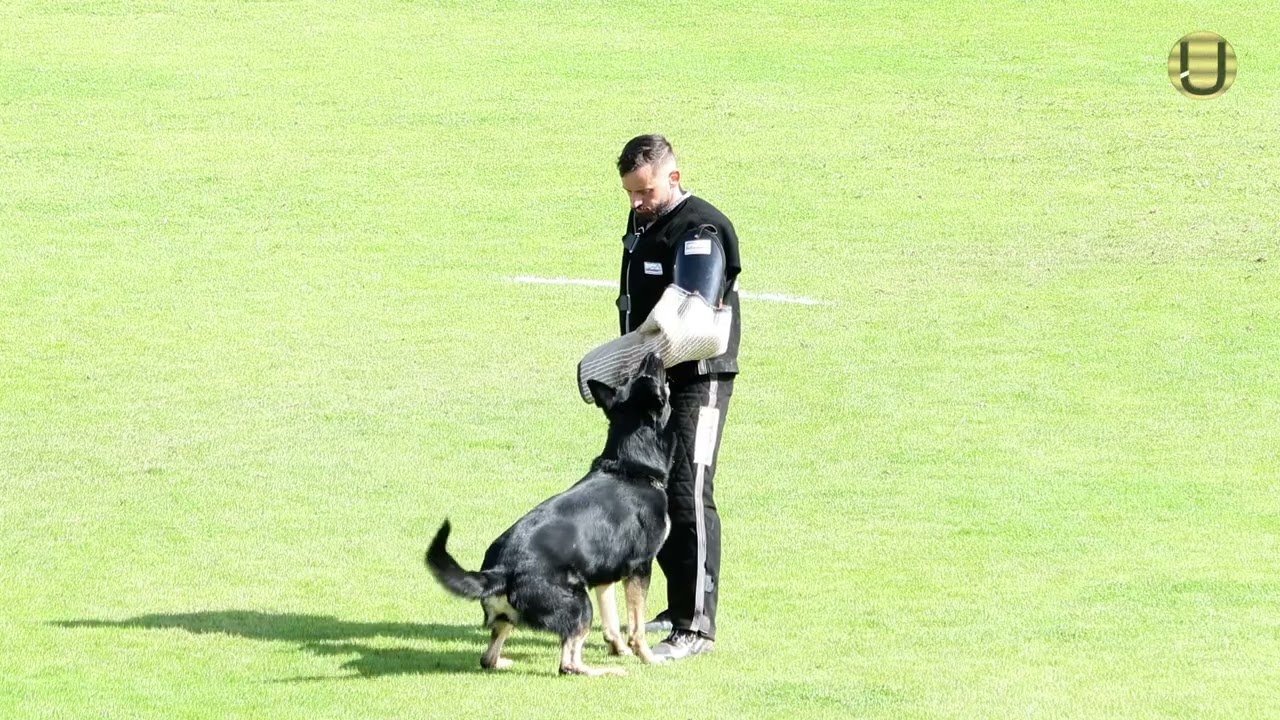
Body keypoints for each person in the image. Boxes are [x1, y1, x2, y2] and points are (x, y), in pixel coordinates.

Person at [608, 134, 742, 661]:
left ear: (674, 177)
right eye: (630, 194)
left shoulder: (701, 230)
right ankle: (674, 605)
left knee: (689, 492)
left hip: (698, 381)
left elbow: (694, 314)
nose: (637, 203)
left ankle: (696, 626)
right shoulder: (645, 222)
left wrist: (635, 355)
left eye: (645, 192)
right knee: (653, 494)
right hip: (652, 382)